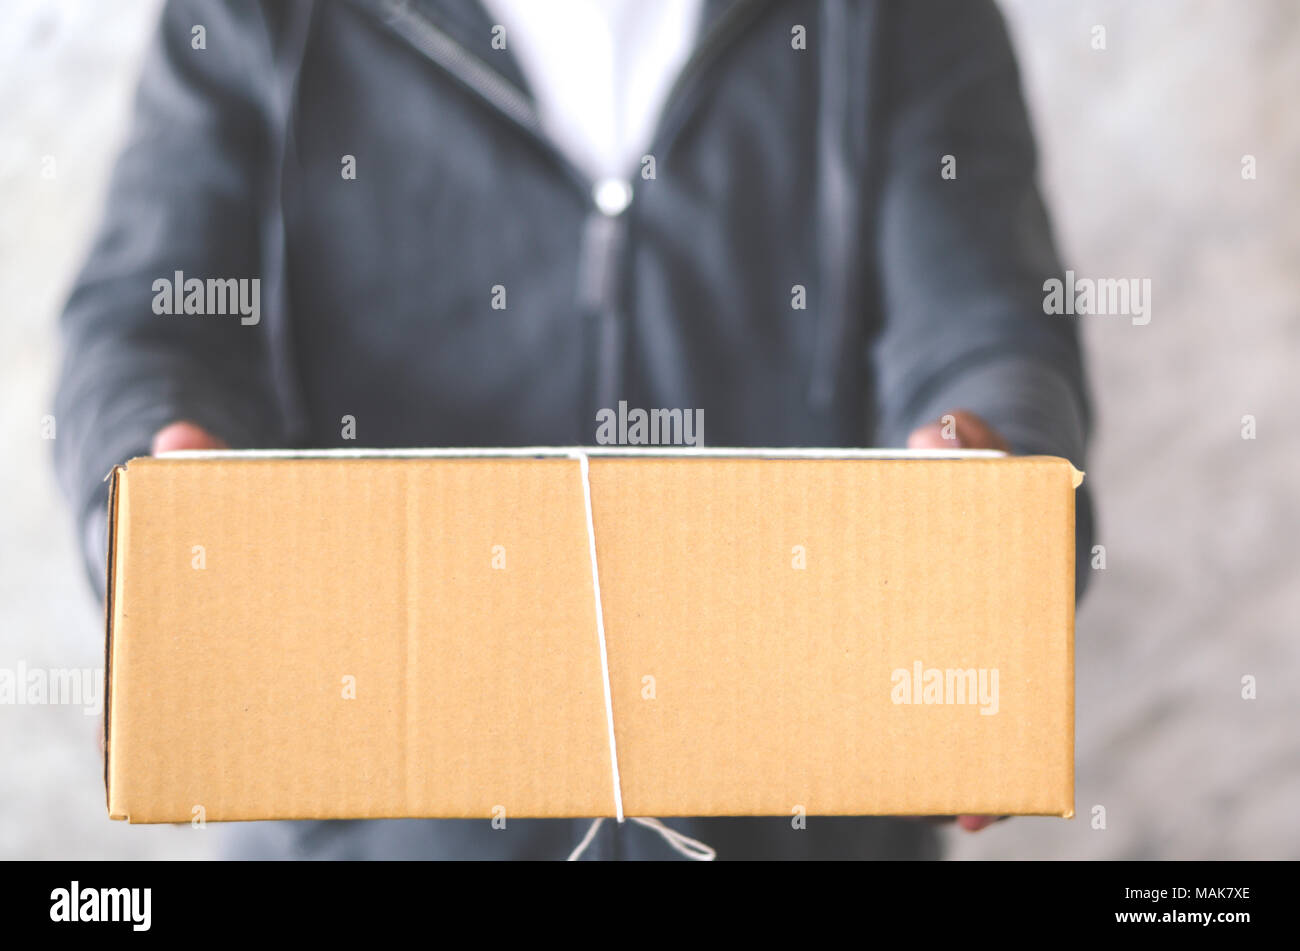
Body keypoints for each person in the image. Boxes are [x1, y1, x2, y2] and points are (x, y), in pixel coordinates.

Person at [53, 0, 1094, 860]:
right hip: (384, 837)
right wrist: (156, 494)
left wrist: (989, 508)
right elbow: (146, 330)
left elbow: (985, 329)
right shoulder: (252, 13)